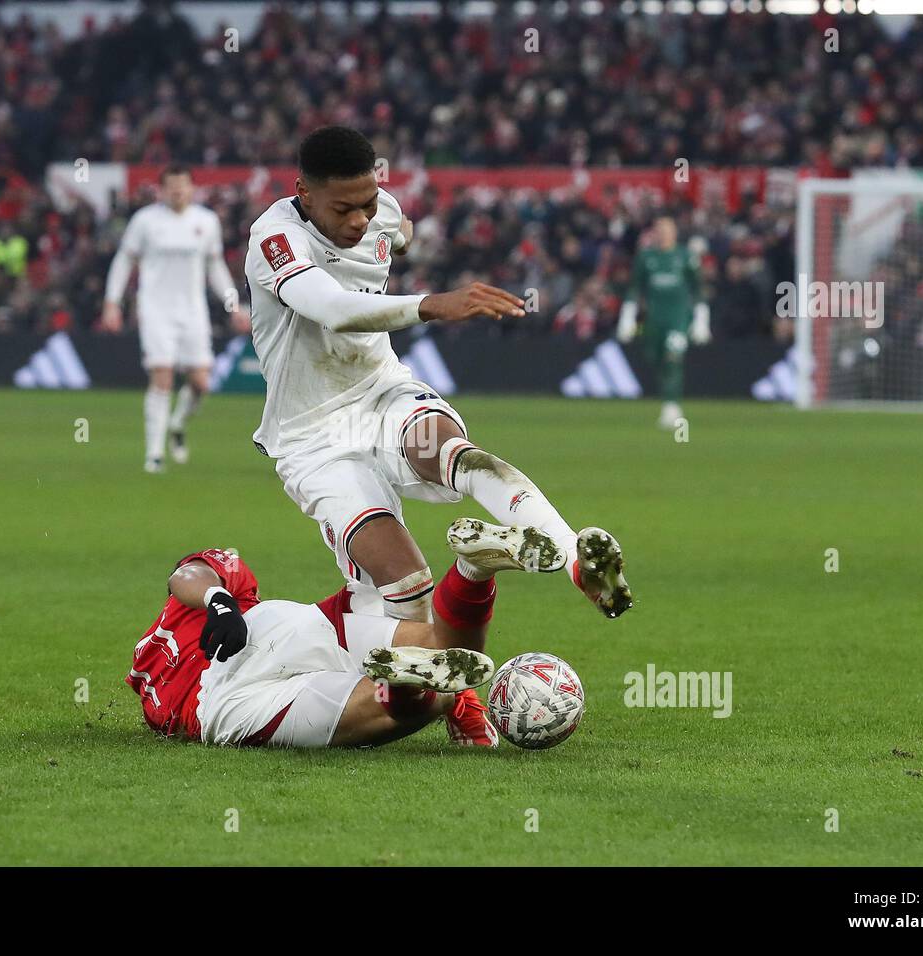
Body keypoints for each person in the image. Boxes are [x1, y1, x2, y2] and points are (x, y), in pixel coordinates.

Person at [243, 125, 633, 628]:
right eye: (343, 209)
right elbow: (332, 309)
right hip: (313, 436)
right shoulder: (275, 239)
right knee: (408, 588)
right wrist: (433, 305)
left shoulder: (379, 211)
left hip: (382, 392)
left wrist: (400, 237)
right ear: (304, 193)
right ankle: (401, 669)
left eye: (367, 202)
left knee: (456, 455)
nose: (361, 219)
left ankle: (576, 563)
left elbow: (395, 230)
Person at [126, 519, 565, 749]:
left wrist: (218, 602)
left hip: (223, 701)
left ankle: (409, 689)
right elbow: (189, 572)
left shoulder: (150, 670)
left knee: (393, 713)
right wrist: (220, 600)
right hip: (279, 628)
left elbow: (186, 574)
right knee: (443, 648)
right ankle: (472, 571)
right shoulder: (189, 603)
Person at [102, 167, 249, 471]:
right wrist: (111, 303)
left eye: (182, 187)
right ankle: (154, 456)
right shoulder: (145, 221)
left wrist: (233, 305)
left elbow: (215, 267)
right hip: (155, 309)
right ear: (162, 190)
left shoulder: (205, 222)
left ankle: (177, 425)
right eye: (171, 187)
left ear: (192, 189)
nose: (177, 192)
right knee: (162, 377)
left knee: (201, 383)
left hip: (193, 310)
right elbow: (124, 260)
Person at [616, 216, 712, 429]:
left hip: (679, 319)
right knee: (656, 358)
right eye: (659, 230)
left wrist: (701, 320)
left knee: (673, 359)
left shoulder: (686, 256)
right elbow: (635, 288)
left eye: (667, 230)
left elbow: (698, 289)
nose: (663, 234)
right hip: (654, 320)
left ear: (674, 233)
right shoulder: (646, 257)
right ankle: (669, 400)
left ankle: (672, 406)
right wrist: (627, 317)